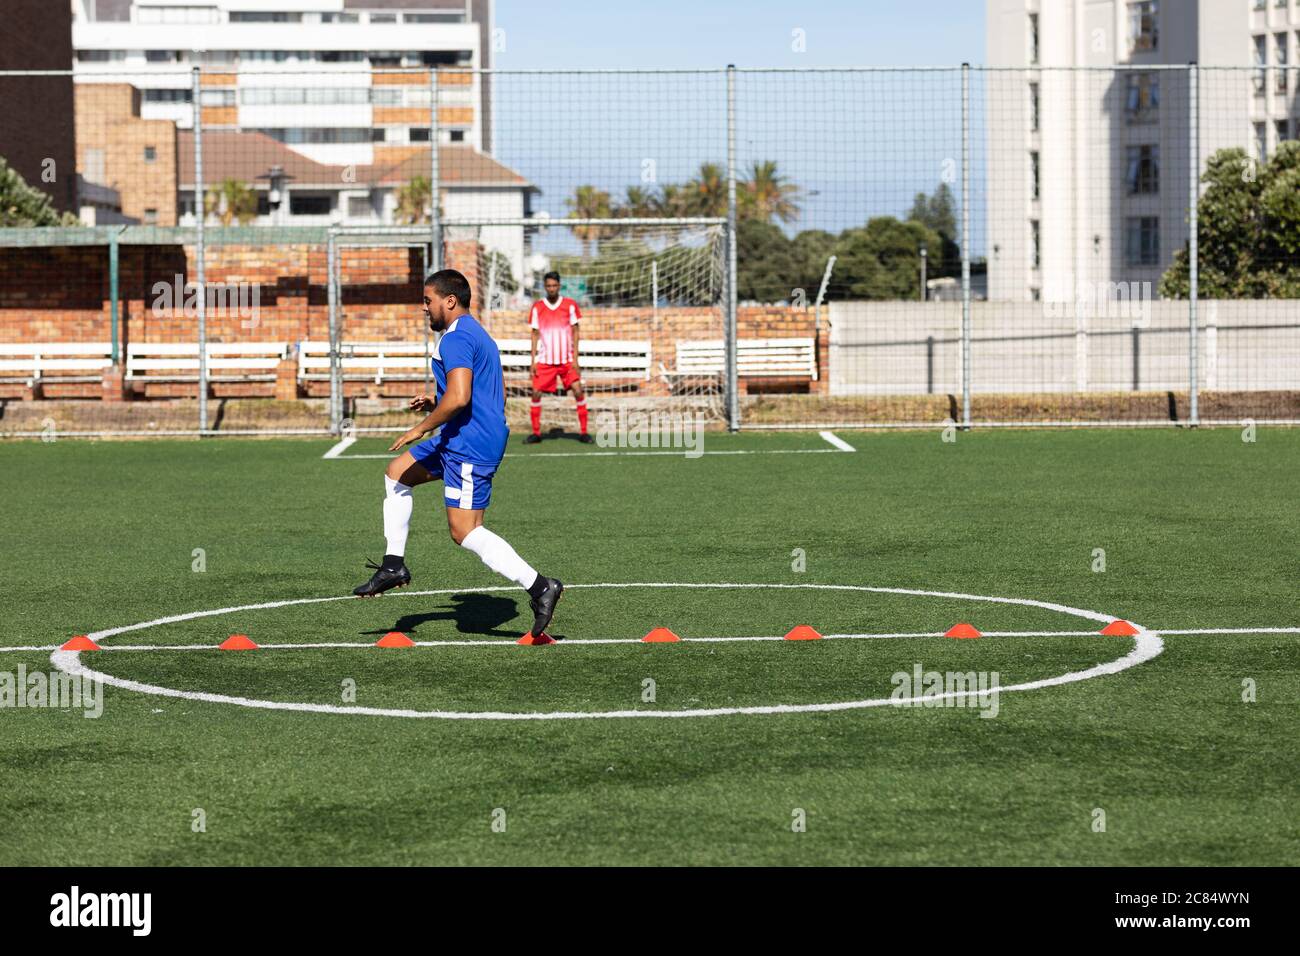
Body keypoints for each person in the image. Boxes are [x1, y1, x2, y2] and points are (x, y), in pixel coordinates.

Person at [352, 269, 564, 639]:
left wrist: (420, 427)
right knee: (398, 473)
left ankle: (540, 586)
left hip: (471, 442)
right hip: (459, 434)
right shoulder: (470, 333)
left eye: (427, 301)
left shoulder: (456, 339)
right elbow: (468, 392)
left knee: (465, 531)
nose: (424, 308)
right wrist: (436, 401)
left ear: (449, 301)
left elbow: (461, 397)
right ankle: (393, 565)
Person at [526, 271, 593, 443]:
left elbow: (576, 331)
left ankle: (584, 432)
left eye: (554, 285)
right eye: (548, 286)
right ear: (545, 287)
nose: (551, 288)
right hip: (545, 361)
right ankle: (536, 433)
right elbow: (534, 334)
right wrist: (532, 360)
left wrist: (576, 359)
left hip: (567, 360)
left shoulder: (570, 305)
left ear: (559, 285)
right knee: (535, 393)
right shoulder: (538, 307)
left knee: (578, 390)